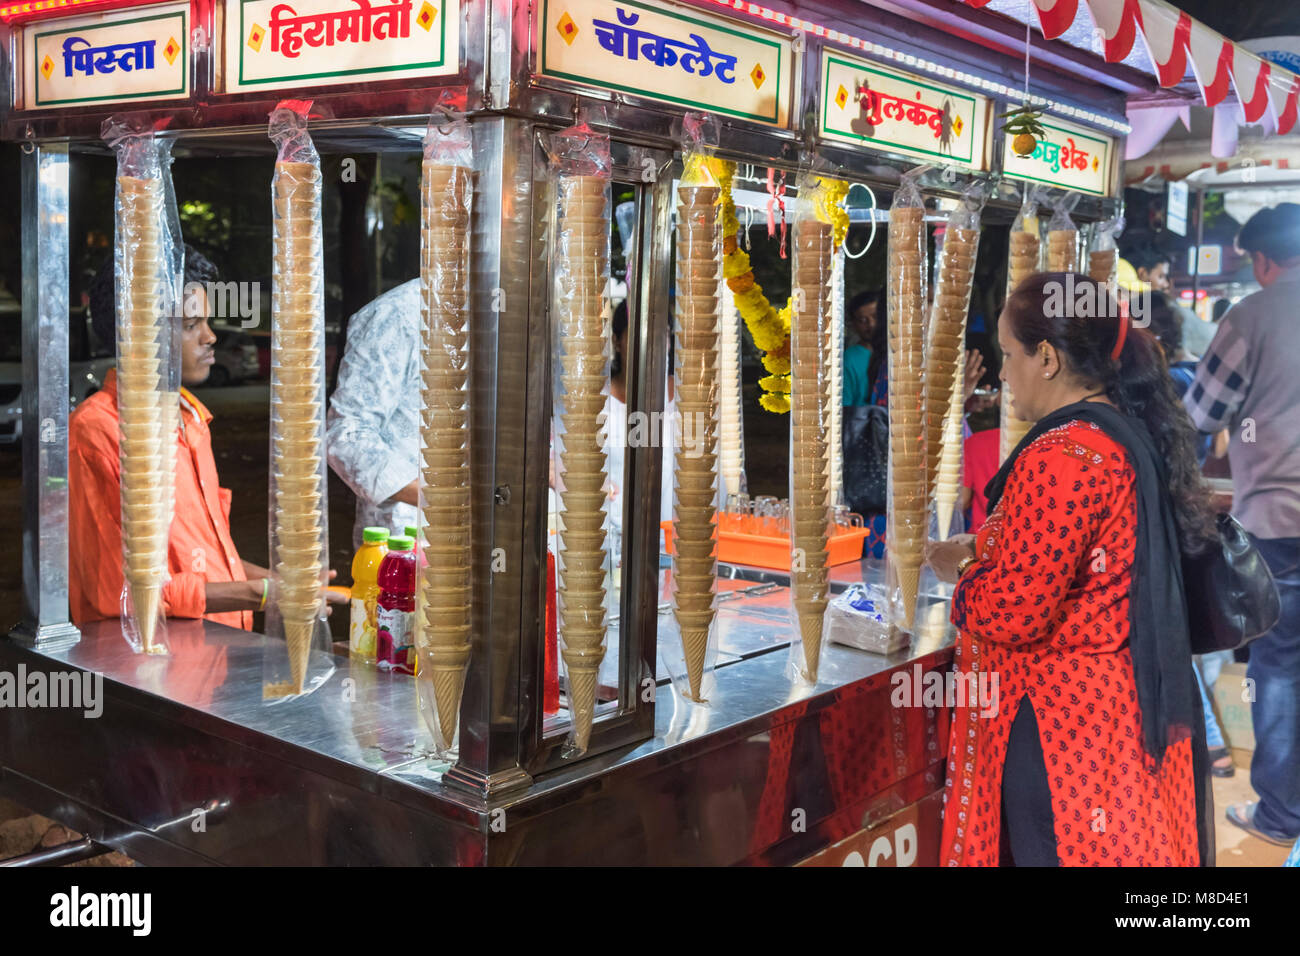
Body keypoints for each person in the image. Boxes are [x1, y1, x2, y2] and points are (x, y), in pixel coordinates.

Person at [928, 272, 1216, 866]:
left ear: (1049, 358)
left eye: (1009, 355)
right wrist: (992, 548)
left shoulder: (1064, 453)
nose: (1004, 374)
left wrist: (961, 568)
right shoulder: (1118, 432)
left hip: (1064, 726)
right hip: (1113, 709)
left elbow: (1013, 610)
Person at [71, 248, 273, 627]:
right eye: (192, 324)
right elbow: (122, 590)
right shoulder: (97, 431)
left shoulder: (191, 419)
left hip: (221, 659)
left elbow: (203, 557)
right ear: (141, 333)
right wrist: (256, 594)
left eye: (207, 322)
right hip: (154, 671)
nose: (211, 337)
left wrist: (278, 581)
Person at [1184, 202, 1300, 847]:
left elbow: (1199, 415)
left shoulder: (1252, 316)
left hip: (1281, 525)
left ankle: (1282, 817)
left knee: (1281, 668)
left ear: (1260, 260)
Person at [326, 279, 422, 549]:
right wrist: (449, 500)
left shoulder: (517, 313)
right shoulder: (398, 315)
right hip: (409, 547)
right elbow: (348, 435)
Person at [843, 290, 881, 406]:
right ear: (854, 325)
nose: (871, 324)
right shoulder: (848, 360)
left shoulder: (895, 354)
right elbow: (845, 408)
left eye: (875, 316)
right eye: (863, 320)